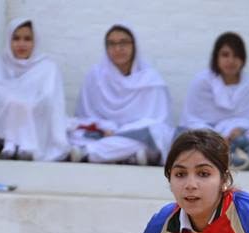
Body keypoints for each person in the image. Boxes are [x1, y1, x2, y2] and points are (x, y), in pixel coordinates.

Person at [70, 24, 175, 165]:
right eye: (111, 44)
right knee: (75, 132)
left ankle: (89, 153)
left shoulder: (150, 79)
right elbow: (85, 116)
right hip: (104, 133)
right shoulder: (95, 76)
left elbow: (158, 120)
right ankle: (131, 156)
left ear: (134, 46)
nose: (118, 49)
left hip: (137, 134)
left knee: (158, 133)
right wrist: (107, 127)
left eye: (123, 43)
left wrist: (121, 132)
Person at [181, 32, 249, 171]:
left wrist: (238, 131)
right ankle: (232, 159)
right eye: (225, 55)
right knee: (190, 139)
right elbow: (191, 118)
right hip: (209, 133)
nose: (231, 61)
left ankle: (237, 159)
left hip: (239, 135)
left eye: (236, 56)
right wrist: (216, 136)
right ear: (216, 57)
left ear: (243, 59)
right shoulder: (202, 81)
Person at [0, 18, 69, 161]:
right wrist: (19, 101)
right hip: (9, 115)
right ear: (9, 41)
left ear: (35, 42)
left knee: (20, 103)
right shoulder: (0, 64)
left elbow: (49, 97)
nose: (21, 44)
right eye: (16, 39)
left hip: (38, 118)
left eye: (27, 39)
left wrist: (28, 102)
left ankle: (25, 146)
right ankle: (10, 145)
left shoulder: (47, 67)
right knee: (14, 102)